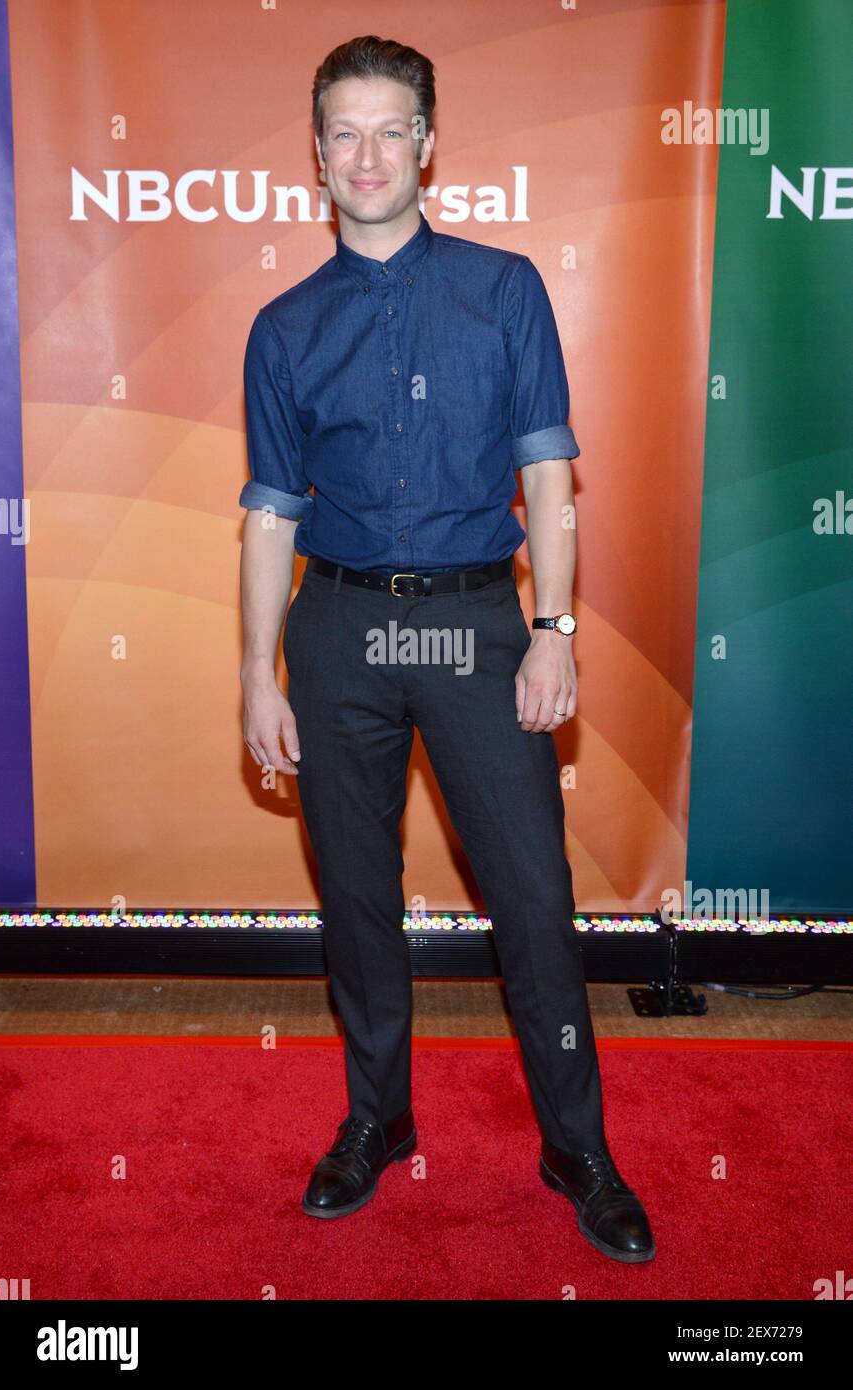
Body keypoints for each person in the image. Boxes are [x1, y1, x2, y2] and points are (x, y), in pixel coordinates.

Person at [238, 34, 654, 1264]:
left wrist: (552, 630)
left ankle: (575, 1144)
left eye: (389, 129)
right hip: (339, 627)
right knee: (357, 900)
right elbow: (270, 510)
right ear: (317, 155)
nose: (367, 154)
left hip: (482, 626)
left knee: (531, 902)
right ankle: (376, 1119)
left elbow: (547, 476)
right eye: (343, 133)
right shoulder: (281, 326)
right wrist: (254, 669)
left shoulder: (504, 286)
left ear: (427, 143)